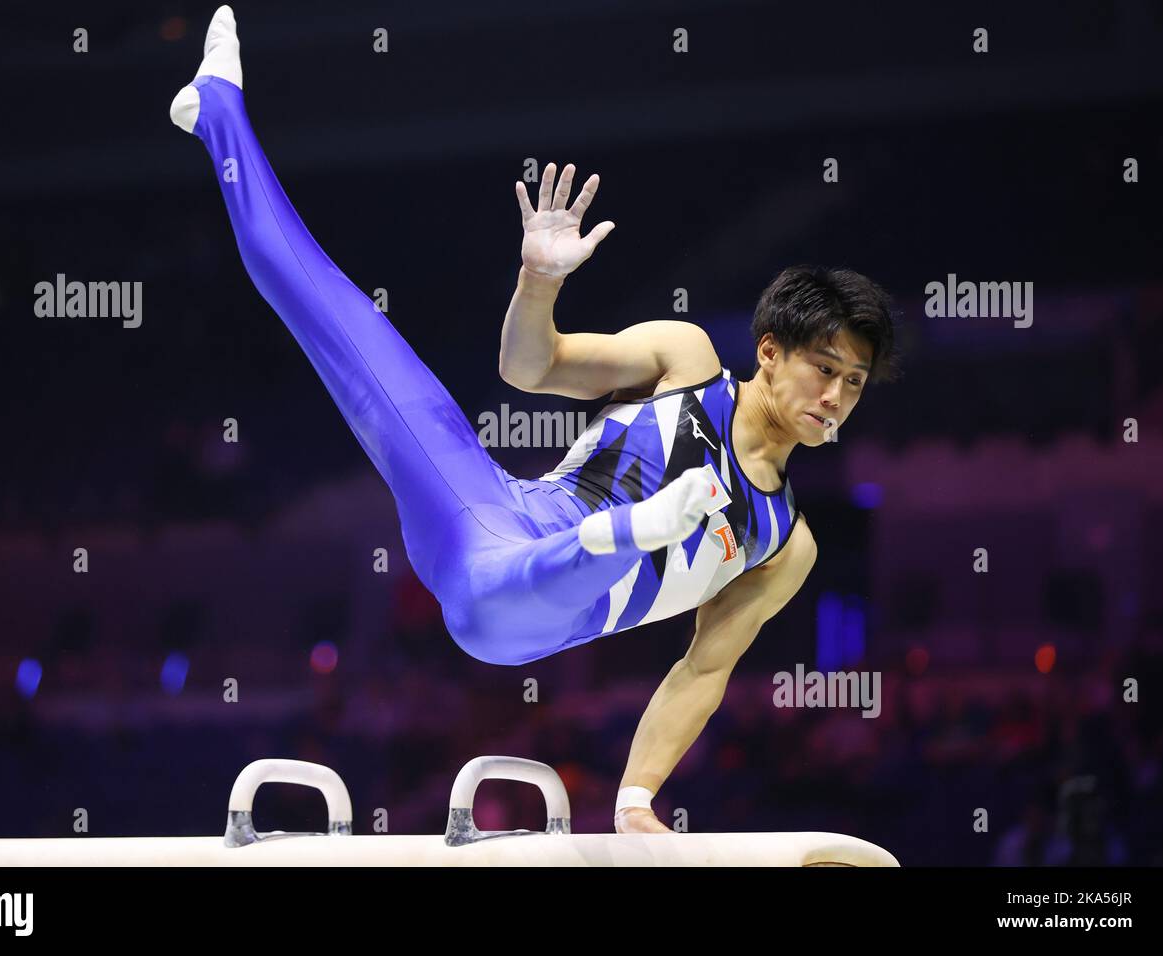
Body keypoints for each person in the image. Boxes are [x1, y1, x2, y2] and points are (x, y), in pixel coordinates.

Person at [170, 7, 898, 833]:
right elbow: (529, 368)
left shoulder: (784, 542)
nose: (836, 395)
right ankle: (217, 110)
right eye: (824, 369)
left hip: (531, 616)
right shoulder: (685, 360)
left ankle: (628, 534)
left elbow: (702, 669)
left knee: (509, 592)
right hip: (490, 513)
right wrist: (539, 283)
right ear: (770, 352)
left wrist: (635, 799)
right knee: (336, 317)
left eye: (855, 383)